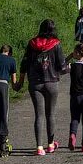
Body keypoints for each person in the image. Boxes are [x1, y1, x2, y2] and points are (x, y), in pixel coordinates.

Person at [16, 19, 67, 156]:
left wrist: (20, 81)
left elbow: (24, 63)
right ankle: (50, 145)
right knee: (50, 114)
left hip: (35, 83)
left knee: (39, 115)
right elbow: (62, 67)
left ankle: (39, 147)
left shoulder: (32, 43)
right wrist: (69, 67)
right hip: (52, 82)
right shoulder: (56, 44)